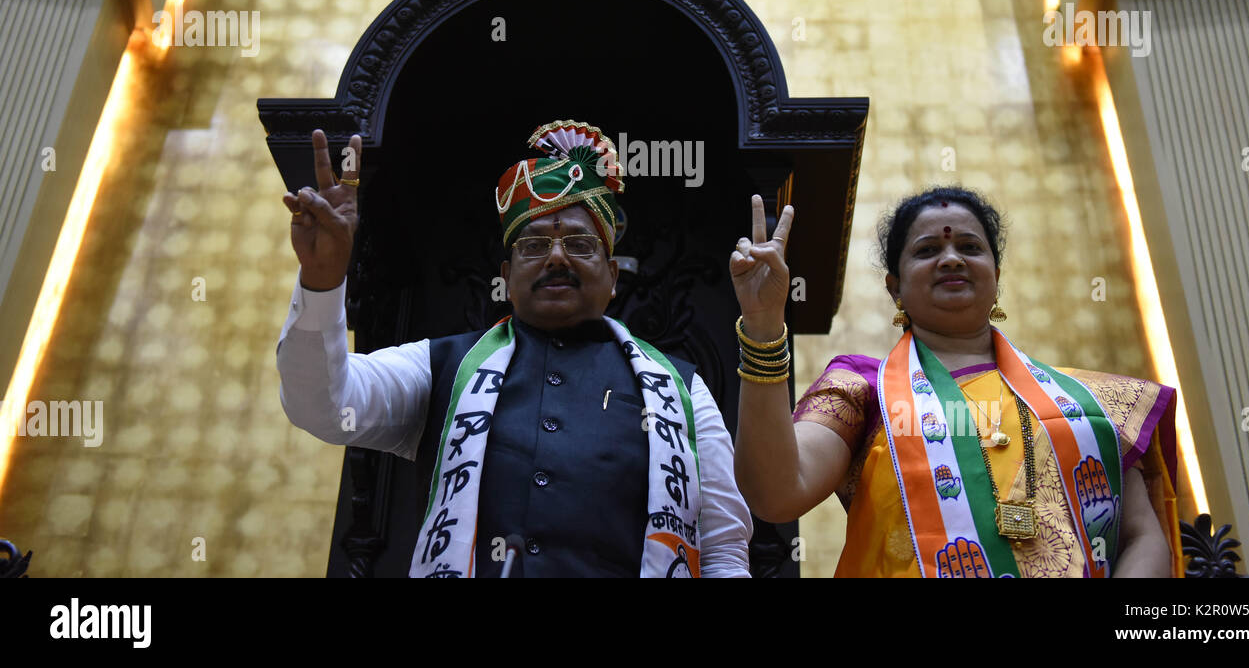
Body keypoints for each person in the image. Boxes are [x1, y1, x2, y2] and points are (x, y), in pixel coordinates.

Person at [276, 120, 751, 577]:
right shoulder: (441, 367)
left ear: (612, 277)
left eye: (581, 245)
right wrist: (322, 280)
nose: (557, 256)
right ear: (505, 277)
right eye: (534, 244)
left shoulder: (683, 390)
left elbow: (725, 555)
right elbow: (324, 404)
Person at [729, 186, 1182, 577]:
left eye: (970, 247)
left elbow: (1143, 537)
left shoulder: (1088, 401)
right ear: (895, 287)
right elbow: (777, 491)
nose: (950, 258)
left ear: (996, 277)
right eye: (926, 251)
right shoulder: (865, 388)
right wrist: (764, 325)